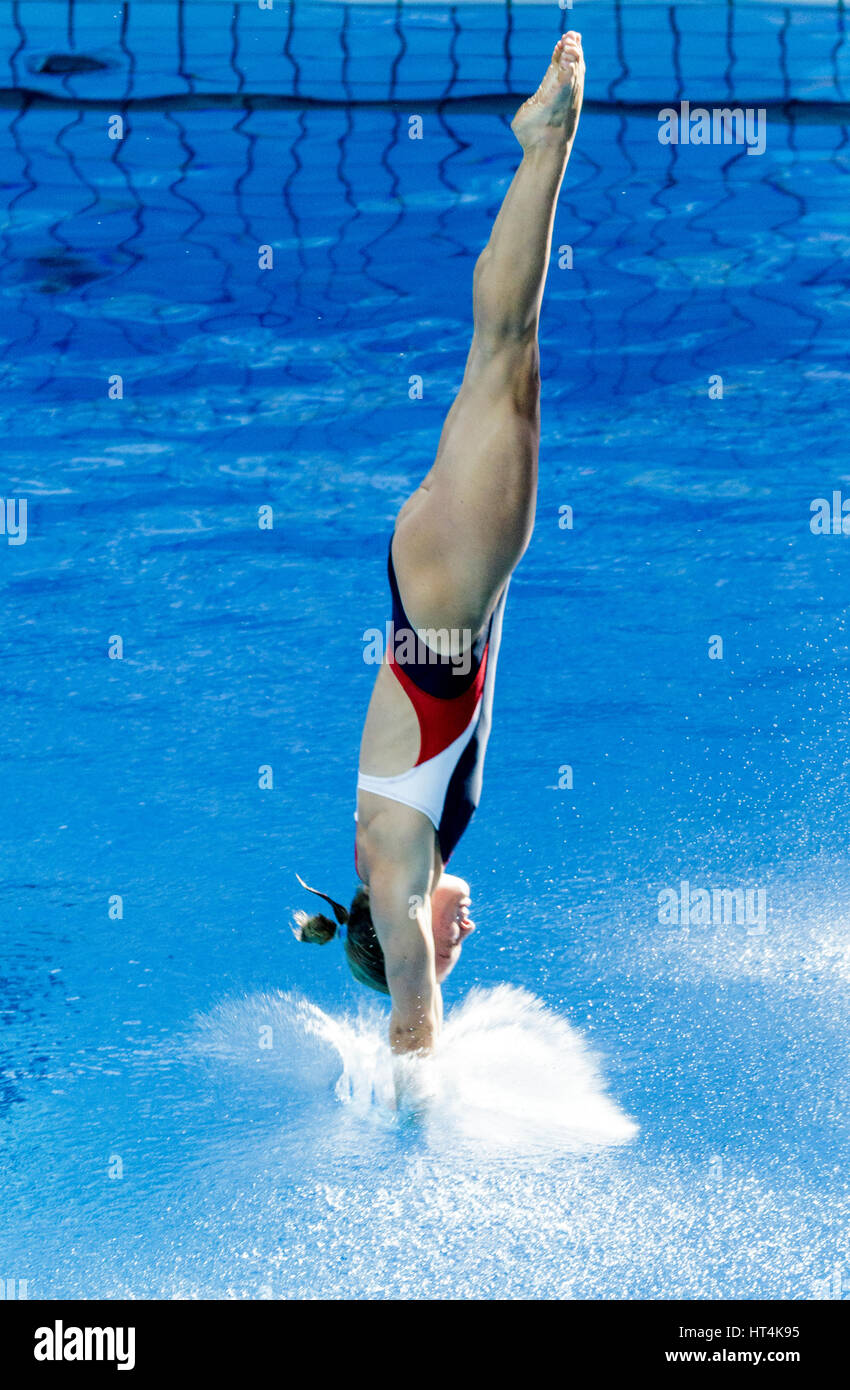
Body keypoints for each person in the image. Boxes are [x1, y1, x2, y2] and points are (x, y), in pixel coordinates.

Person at [295, 32, 586, 1070]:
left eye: (446, 946)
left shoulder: (394, 876)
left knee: (506, 348)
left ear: (397, 932)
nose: (466, 935)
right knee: (504, 358)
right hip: (440, 589)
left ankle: (541, 144)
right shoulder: (397, 853)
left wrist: (417, 1113)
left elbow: (412, 1011)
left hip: (445, 600)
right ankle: (540, 149)